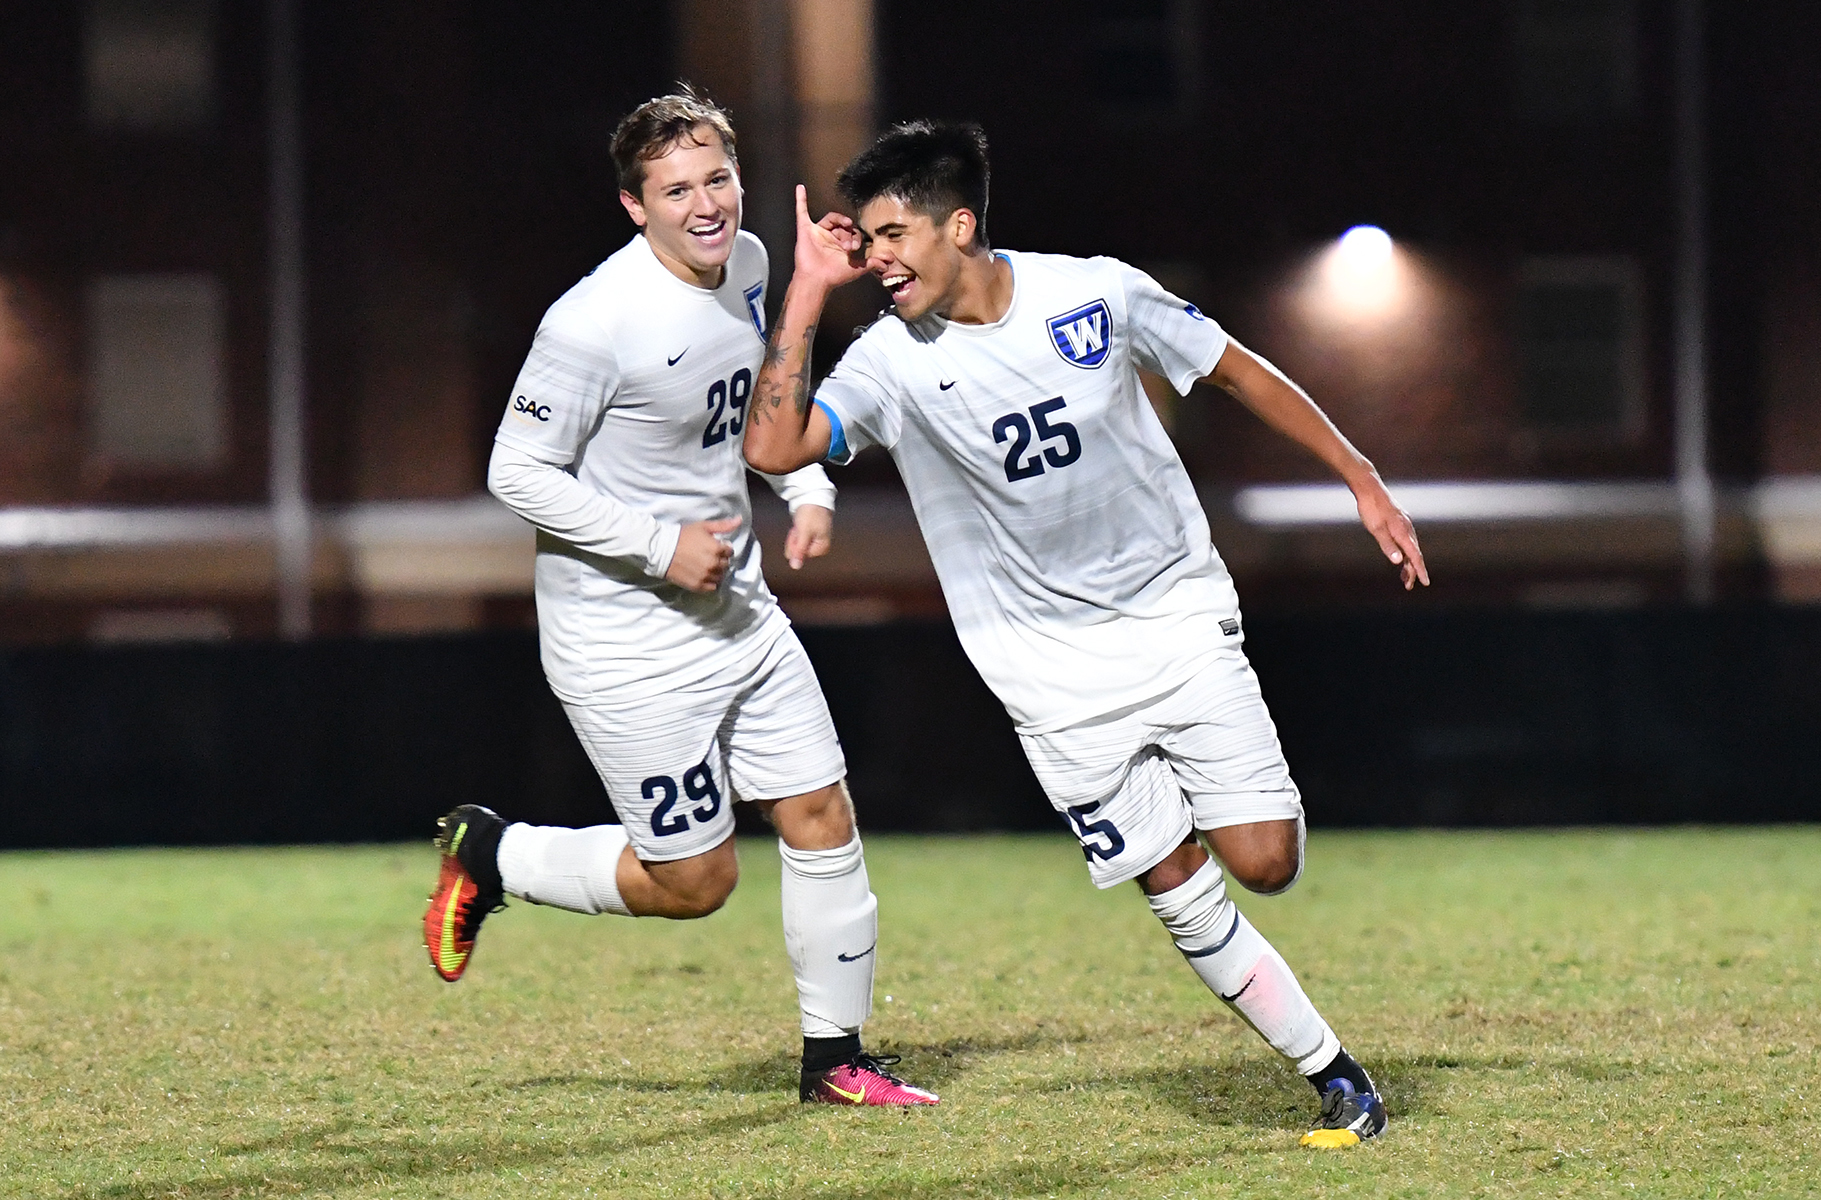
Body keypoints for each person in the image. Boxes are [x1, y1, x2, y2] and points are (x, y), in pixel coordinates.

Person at [744, 120, 1430, 1144]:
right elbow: (774, 444)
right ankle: (1337, 1077)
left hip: (1174, 619)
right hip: (1046, 676)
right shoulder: (888, 360)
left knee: (1266, 861)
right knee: (1173, 882)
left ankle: (1302, 1016)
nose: (876, 259)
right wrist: (804, 295)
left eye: (893, 235)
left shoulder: (1095, 293)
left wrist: (1360, 476)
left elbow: (1234, 368)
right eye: (868, 239)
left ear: (959, 226)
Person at [422, 89, 937, 1108]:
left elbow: (752, 404)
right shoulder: (591, 323)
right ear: (634, 206)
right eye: (675, 189)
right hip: (626, 645)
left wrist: (806, 485)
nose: (704, 205)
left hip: (738, 609)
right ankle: (493, 853)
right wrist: (660, 548)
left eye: (716, 179)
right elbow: (516, 472)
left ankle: (833, 1060)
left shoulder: (749, 264)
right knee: (696, 886)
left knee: (822, 811)